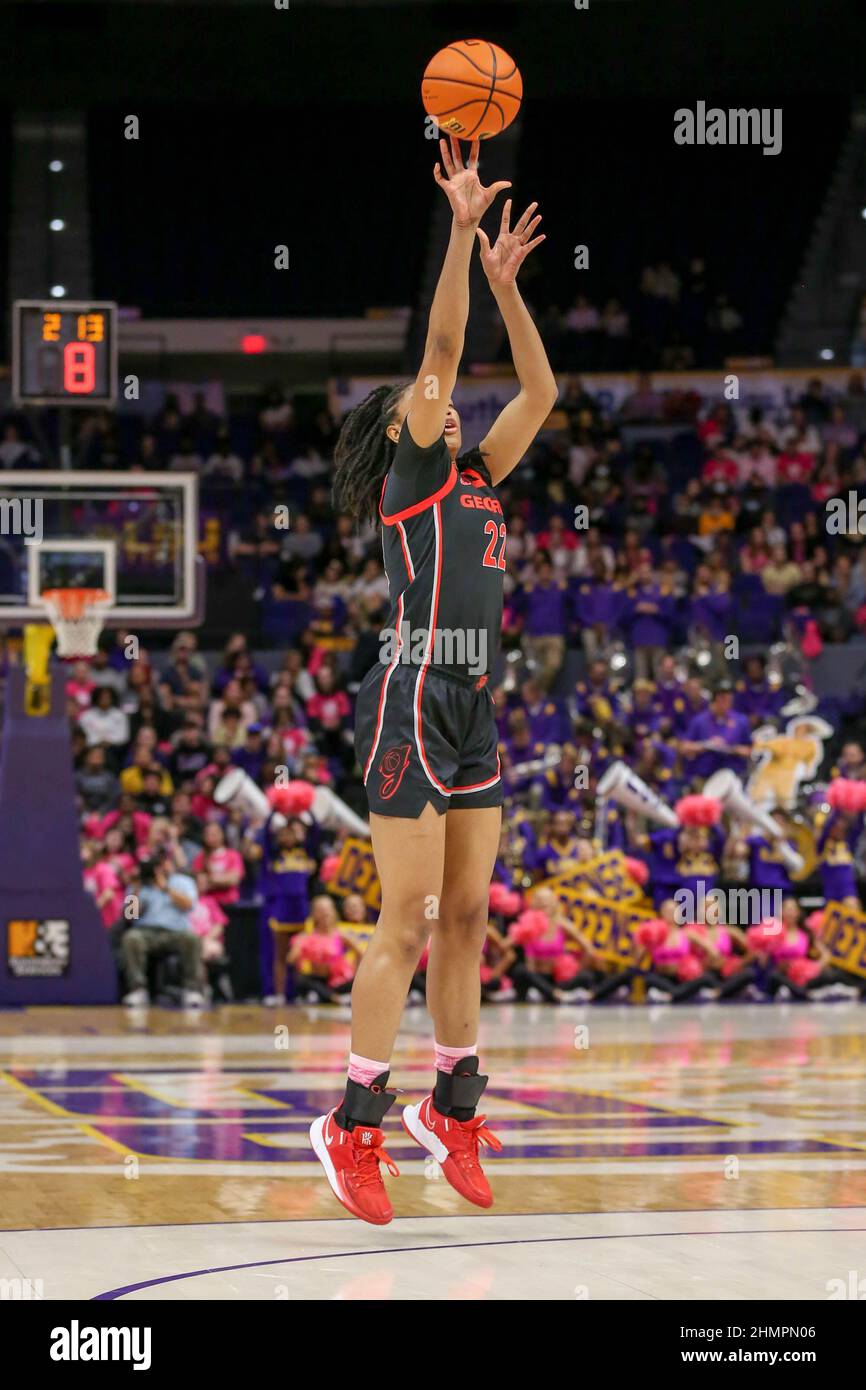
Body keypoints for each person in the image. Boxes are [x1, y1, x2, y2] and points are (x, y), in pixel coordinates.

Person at [313, 135, 557, 1225]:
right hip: (411, 690)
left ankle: (449, 1107)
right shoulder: (414, 470)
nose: (452, 406)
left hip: (471, 701)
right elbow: (446, 349)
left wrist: (511, 288)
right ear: (404, 423)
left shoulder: (479, 473)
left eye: (451, 406)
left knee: (466, 913)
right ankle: (353, 1119)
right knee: (405, 918)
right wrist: (461, 239)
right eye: (432, 401)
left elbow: (540, 387)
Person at [120, 854, 204, 1007]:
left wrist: (164, 887)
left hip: (176, 932)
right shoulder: (137, 886)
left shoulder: (183, 881)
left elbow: (188, 905)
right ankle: (138, 990)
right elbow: (129, 916)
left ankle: (193, 990)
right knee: (131, 937)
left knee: (192, 938)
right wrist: (136, 888)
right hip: (147, 932)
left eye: (160, 865)